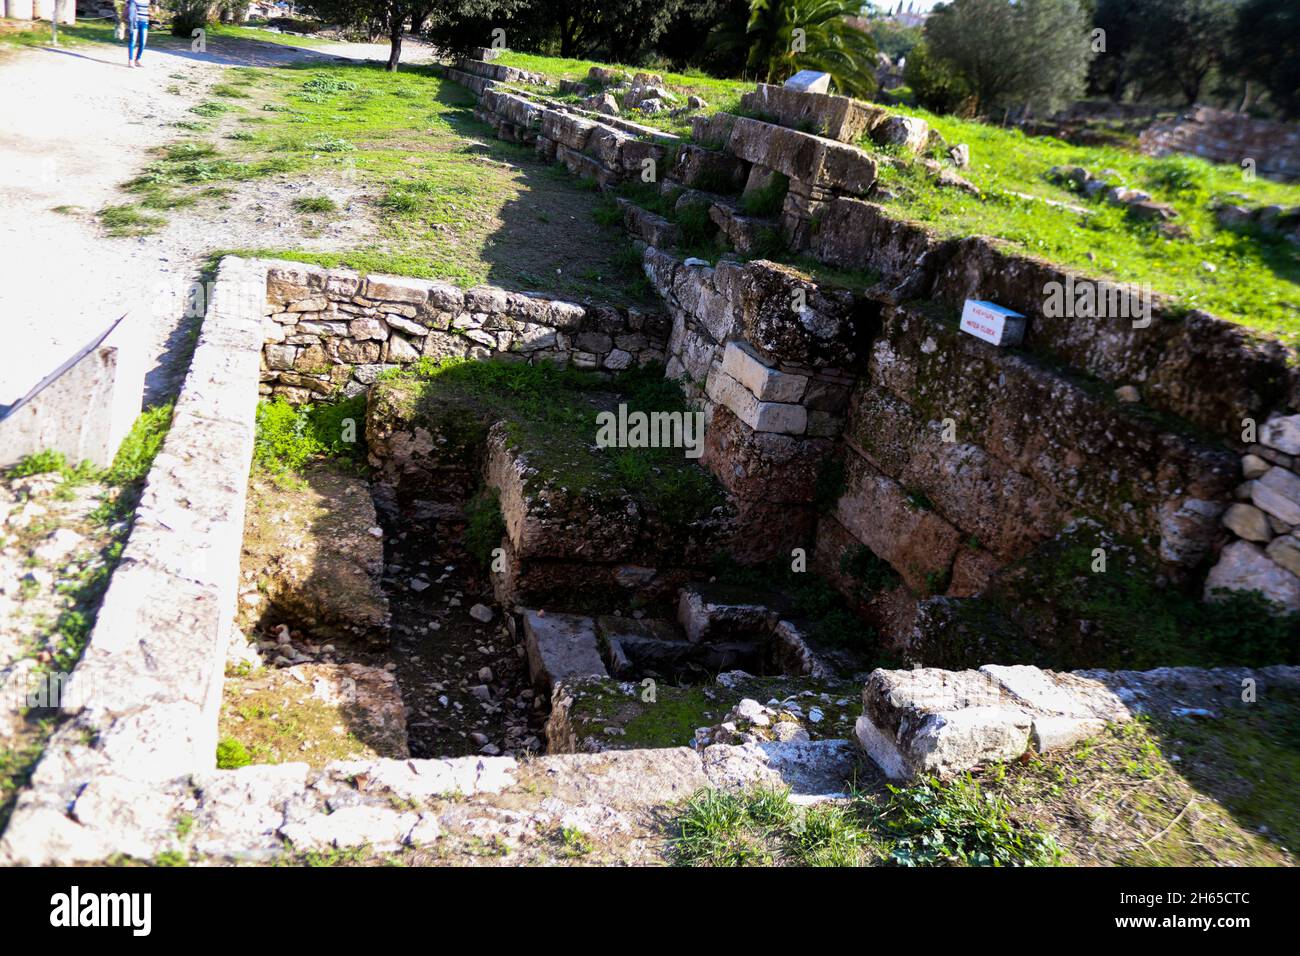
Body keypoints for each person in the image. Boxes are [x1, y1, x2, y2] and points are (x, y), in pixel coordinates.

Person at [125, 0, 150, 68]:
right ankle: (131, 61)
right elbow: (129, 8)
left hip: (144, 22)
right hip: (135, 22)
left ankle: (138, 60)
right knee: (132, 41)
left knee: (143, 42)